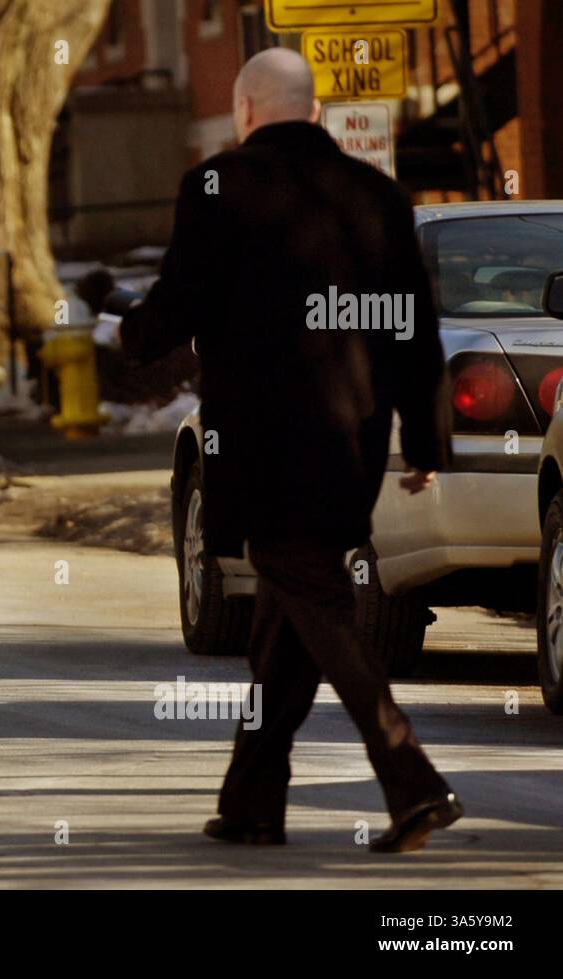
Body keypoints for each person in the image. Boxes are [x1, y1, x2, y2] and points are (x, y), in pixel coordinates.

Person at [116, 48, 462, 852]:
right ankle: (251, 799)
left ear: (243, 109)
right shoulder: (378, 196)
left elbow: (179, 302)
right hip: (351, 436)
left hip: (261, 447)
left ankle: (411, 776)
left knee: (314, 599)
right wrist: (426, 438)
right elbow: (414, 331)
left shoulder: (216, 188)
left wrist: (130, 333)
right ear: (313, 113)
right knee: (285, 621)